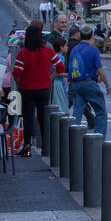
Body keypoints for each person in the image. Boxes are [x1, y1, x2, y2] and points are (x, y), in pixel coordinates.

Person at [11, 21, 65, 156]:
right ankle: (46, 147)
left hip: (27, 89)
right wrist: (50, 77)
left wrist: (21, 83)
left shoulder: (23, 53)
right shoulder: (48, 50)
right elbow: (60, 67)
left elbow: (16, 73)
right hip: (44, 88)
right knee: (43, 119)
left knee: (28, 118)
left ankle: (27, 145)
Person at [68, 24, 110, 138]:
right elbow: (100, 69)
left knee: (77, 112)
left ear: (80, 36)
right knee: (100, 111)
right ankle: (98, 138)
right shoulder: (93, 50)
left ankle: (73, 138)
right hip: (89, 83)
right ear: (92, 35)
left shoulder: (74, 49)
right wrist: (107, 85)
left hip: (76, 84)